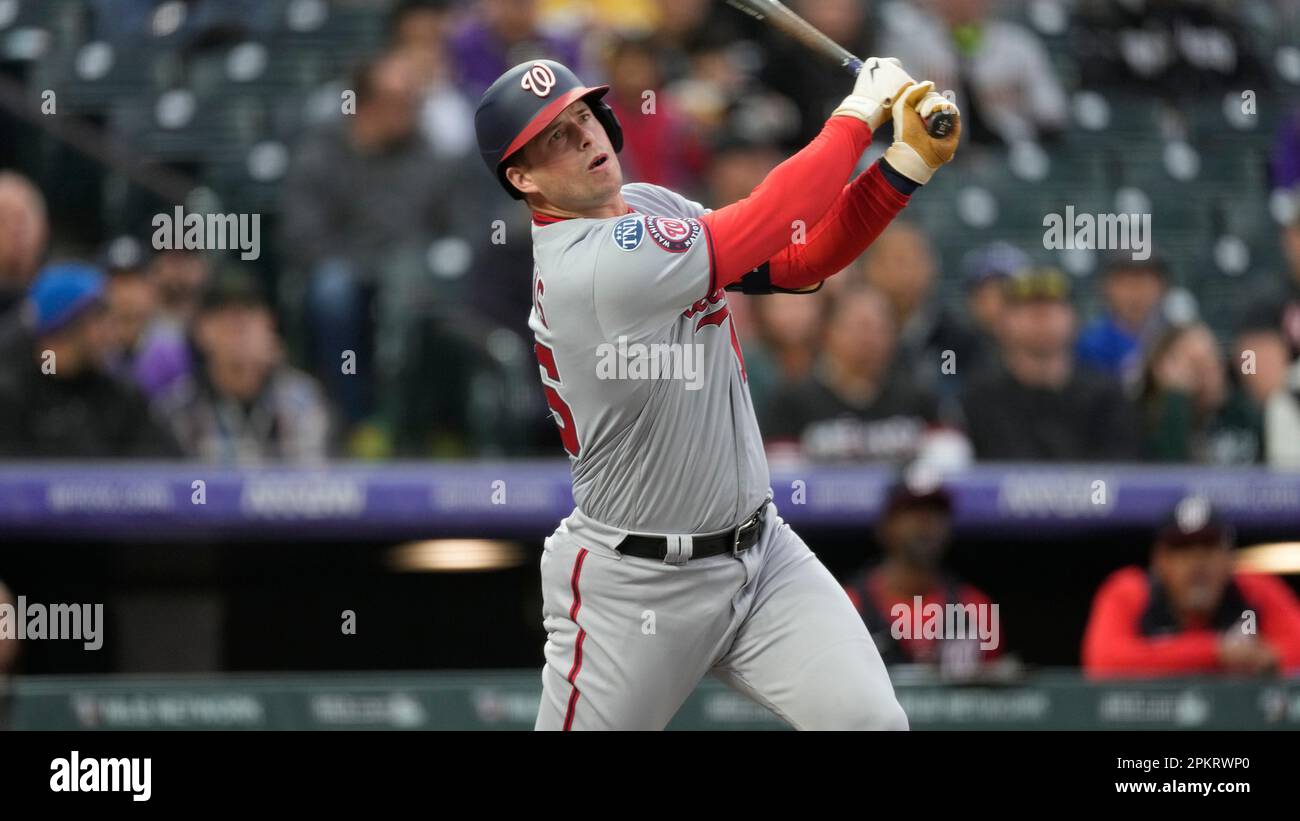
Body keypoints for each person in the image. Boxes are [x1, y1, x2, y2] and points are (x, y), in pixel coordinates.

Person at [475, 57, 961, 729]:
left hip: (763, 560)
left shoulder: (646, 204)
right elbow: (776, 211)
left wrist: (904, 163)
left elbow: (799, 253)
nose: (586, 137)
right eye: (556, 136)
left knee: (873, 723)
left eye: (584, 116)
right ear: (522, 178)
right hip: (634, 582)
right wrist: (859, 113)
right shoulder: (589, 265)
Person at [1082, 497, 1300, 678]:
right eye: (1182, 548)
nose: (1197, 561)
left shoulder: (1253, 590)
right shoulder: (1130, 591)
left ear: (1229, 557)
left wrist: (1271, 658)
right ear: (1160, 561)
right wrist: (1216, 652)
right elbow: (1104, 662)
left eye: (1208, 546)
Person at [960, 267, 1142, 461]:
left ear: (1074, 319)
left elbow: (1125, 475)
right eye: (1027, 309)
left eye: (1052, 308)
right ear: (1003, 323)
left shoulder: (1107, 400)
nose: (1041, 318)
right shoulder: (978, 402)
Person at [0, 263, 179, 458]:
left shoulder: (119, 394)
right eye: (100, 317)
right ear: (63, 326)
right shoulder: (12, 396)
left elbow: (167, 468)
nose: (112, 331)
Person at [155, 274, 332, 464]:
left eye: (250, 309)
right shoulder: (178, 409)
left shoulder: (302, 400)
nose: (238, 325)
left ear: (270, 326)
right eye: (222, 311)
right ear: (201, 330)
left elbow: (311, 485)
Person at [763, 285, 948, 464]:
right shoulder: (791, 402)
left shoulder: (919, 398)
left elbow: (951, 465)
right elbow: (782, 477)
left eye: (880, 329)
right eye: (860, 327)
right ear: (829, 332)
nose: (869, 340)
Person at [842, 477, 1000, 675]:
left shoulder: (975, 608)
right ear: (885, 527)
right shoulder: (848, 606)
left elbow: (992, 700)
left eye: (935, 513)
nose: (926, 523)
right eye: (912, 512)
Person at [1138, 322, 1262, 464]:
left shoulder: (1240, 416)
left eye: (1213, 360)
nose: (1210, 374)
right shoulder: (1142, 423)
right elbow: (1170, 476)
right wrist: (1175, 400)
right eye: (1197, 364)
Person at [1075, 254, 1170, 386]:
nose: (1136, 293)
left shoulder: (1175, 338)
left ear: (1161, 287)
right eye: (1126, 284)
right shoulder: (1089, 344)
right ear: (1106, 287)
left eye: (1144, 283)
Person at [0, 172, 48, 319]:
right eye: (4, 219)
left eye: (23, 221)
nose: (16, 231)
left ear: (44, 228)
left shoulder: (61, 299)